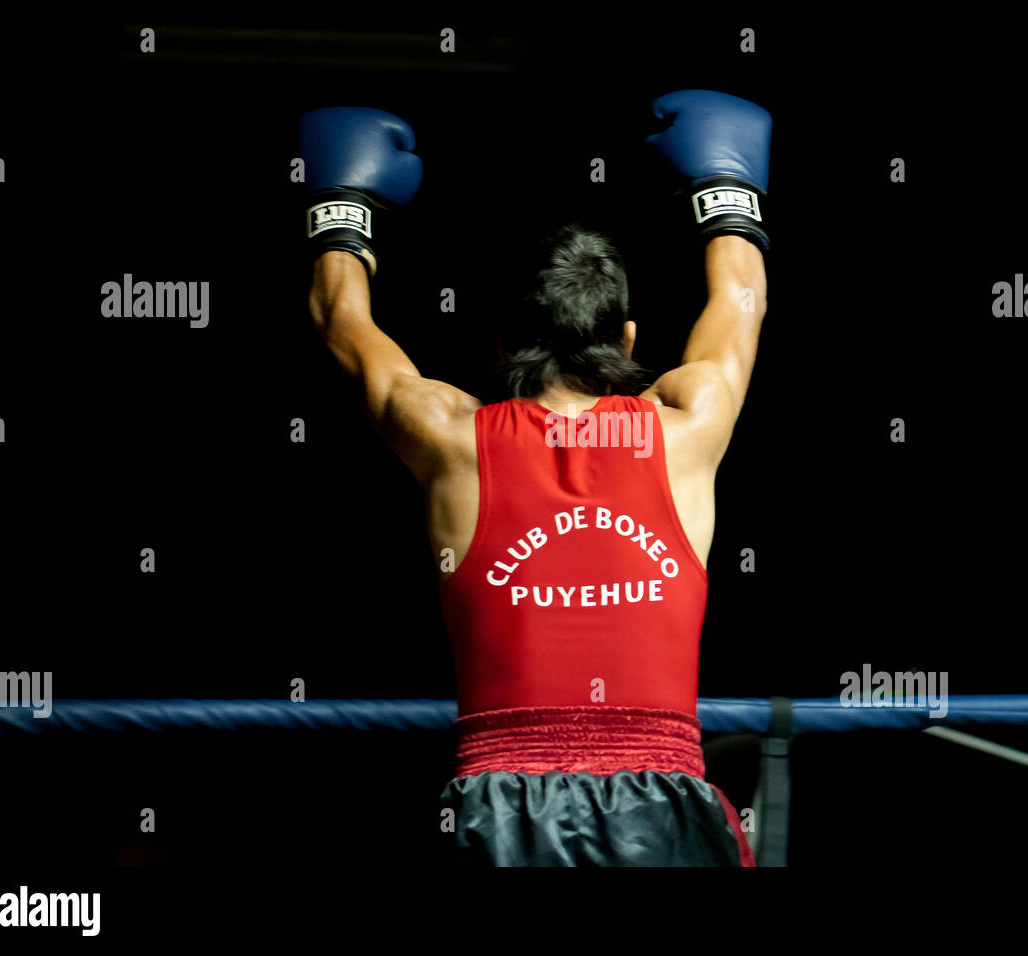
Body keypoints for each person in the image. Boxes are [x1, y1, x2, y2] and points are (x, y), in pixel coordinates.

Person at [298, 90, 770, 865]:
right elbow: (740, 304)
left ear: (502, 342)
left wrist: (343, 204)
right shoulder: (690, 425)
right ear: (626, 336)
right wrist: (726, 189)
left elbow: (338, 317)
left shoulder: (449, 435)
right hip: (664, 808)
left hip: (501, 810)